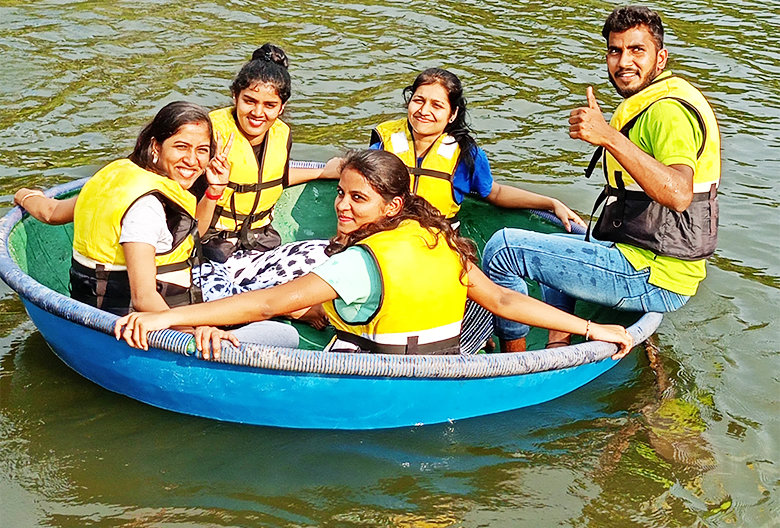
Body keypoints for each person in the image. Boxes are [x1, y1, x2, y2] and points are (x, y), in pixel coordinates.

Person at [114, 150, 633, 361]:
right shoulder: (438, 237)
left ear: (392, 204)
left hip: (381, 373)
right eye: (340, 193)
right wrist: (593, 329)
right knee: (479, 305)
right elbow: (503, 300)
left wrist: (166, 320)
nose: (340, 206)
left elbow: (262, 304)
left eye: (356, 198)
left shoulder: (358, 263)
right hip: (449, 364)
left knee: (252, 330)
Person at [482, 5, 720, 352]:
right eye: (615, 50)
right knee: (559, 238)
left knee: (503, 249)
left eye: (637, 50)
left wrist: (608, 135)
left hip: (653, 274)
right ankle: (557, 349)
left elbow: (679, 194)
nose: (624, 61)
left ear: (661, 58)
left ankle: (512, 362)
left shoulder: (668, 112)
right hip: (647, 259)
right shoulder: (651, 102)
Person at [15, 102, 227, 315]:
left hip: (95, 308)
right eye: (181, 147)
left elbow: (51, 213)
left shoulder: (119, 177)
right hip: (137, 324)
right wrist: (194, 336)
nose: (192, 160)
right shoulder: (146, 207)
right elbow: (144, 298)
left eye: (202, 150)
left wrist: (25, 195)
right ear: (156, 146)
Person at [195, 43, 340, 303]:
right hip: (210, 253)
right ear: (234, 97)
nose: (258, 113)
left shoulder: (281, 135)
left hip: (259, 251)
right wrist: (213, 190)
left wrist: (322, 173)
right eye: (249, 101)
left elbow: (275, 179)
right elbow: (191, 225)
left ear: (281, 107)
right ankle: (280, 305)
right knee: (216, 299)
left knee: (331, 255)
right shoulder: (208, 136)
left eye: (269, 105)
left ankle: (265, 301)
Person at [370, 67, 584, 230]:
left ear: (452, 114)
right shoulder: (385, 141)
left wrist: (551, 203)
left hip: (435, 244)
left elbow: (494, 192)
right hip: (385, 234)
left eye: (437, 105)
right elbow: (351, 170)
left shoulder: (465, 153)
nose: (424, 111)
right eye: (418, 100)